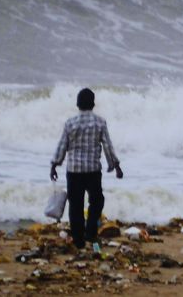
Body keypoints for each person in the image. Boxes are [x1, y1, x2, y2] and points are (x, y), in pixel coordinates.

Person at [50, 88, 123, 253]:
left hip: (74, 170)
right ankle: (90, 231)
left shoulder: (70, 123)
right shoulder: (100, 122)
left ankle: (78, 240)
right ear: (93, 104)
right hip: (93, 170)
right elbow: (108, 146)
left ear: (77, 104)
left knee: (75, 205)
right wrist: (115, 165)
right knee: (97, 201)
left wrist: (55, 164)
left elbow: (62, 146)